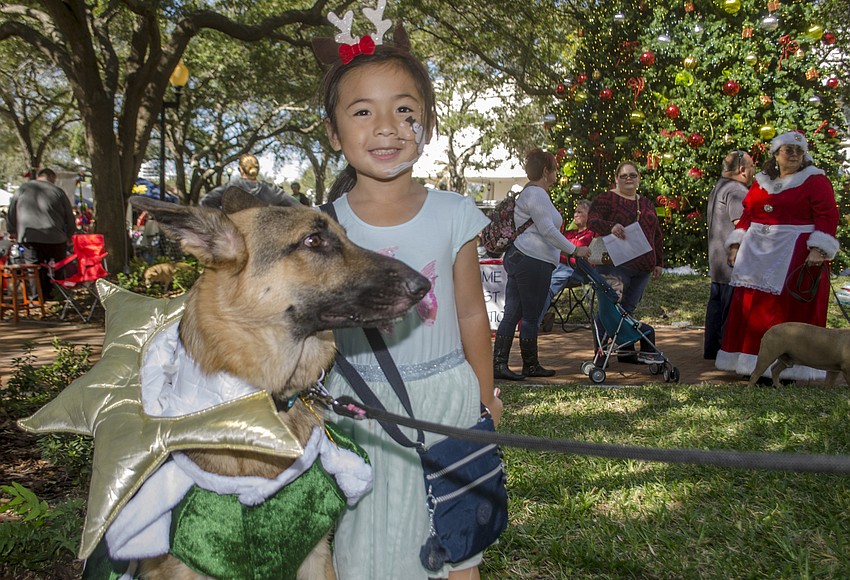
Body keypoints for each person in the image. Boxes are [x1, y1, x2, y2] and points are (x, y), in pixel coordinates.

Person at [316, 25, 503, 580]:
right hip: (360, 406)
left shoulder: (453, 212)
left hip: (448, 395)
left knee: (458, 536)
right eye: (362, 112)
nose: (387, 128)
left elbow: (472, 311)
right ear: (333, 132)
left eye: (404, 110)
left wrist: (483, 391)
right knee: (366, 542)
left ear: (426, 124)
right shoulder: (323, 227)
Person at [717, 131, 839, 382]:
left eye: (798, 150)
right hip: (756, 254)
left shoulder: (815, 181)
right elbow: (749, 214)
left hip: (794, 253)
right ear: (775, 154)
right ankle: (750, 362)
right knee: (751, 307)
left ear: (804, 155)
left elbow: (827, 216)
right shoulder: (761, 182)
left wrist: (819, 248)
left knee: (785, 310)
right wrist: (735, 244)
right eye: (787, 150)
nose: (793, 155)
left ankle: (786, 368)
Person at [493, 149, 592, 381]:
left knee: (513, 313)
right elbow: (548, 230)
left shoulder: (532, 194)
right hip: (532, 261)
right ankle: (529, 365)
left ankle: (501, 364)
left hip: (524, 258)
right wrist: (574, 250)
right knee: (530, 315)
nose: (557, 172)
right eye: (555, 168)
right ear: (546, 171)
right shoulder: (536, 194)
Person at [587, 161, 664, 364]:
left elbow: (656, 233)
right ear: (616, 179)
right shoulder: (607, 198)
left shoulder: (646, 203)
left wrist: (659, 262)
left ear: (639, 178)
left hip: (643, 267)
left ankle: (625, 352)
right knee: (610, 309)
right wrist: (611, 226)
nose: (629, 179)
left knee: (627, 310)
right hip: (614, 265)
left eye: (633, 175)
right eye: (624, 176)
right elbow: (592, 221)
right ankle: (600, 355)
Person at [703, 150, 754, 360]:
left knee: (716, 306)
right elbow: (740, 226)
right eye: (752, 167)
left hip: (717, 261)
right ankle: (726, 352)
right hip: (731, 261)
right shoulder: (736, 190)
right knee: (730, 311)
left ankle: (712, 350)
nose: (754, 172)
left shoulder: (718, 186)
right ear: (742, 169)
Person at [7, 168, 75, 294]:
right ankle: (57, 293)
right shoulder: (58, 191)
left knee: (34, 269)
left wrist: (11, 230)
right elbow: (69, 216)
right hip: (55, 236)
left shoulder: (23, 189)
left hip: (30, 236)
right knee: (58, 266)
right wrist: (70, 234)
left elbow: (12, 210)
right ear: (51, 177)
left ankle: (37, 297)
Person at [538, 199, 595, 332]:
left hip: (576, 270)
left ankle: (532, 324)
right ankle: (539, 317)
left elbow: (576, 250)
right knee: (535, 282)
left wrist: (564, 247)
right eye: (575, 212)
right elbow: (557, 246)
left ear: (590, 215)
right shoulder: (569, 233)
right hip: (556, 265)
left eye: (580, 212)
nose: (575, 214)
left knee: (547, 286)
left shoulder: (591, 234)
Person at [200, 154, 298, 208]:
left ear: (240, 169)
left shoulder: (230, 188)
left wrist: (223, 222)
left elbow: (206, 202)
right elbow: (297, 206)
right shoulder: (271, 190)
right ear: (257, 169)